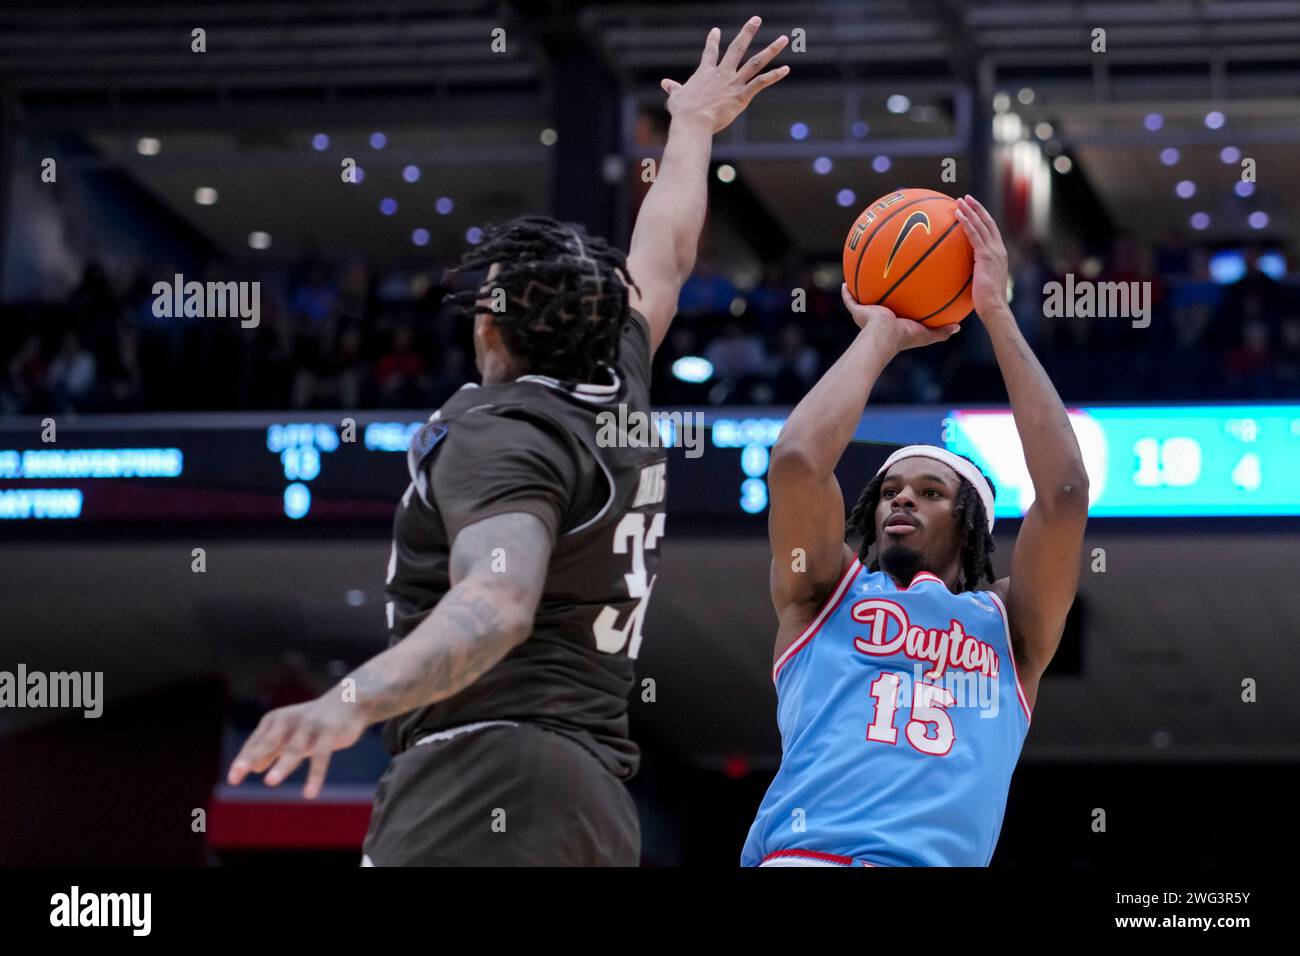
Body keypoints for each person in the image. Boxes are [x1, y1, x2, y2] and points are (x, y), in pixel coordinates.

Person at [227, 16, 790, 866]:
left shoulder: (505, 432)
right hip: (592, 796)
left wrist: (347, 702)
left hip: (484, 770)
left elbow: (496, 603)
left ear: (490, 324)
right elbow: (666, 255)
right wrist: (691, 130)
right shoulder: (614, 379)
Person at [742, 195, 1089, 867]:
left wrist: (994, 312)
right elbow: (795, 464)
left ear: (970, 524)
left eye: (930, 493)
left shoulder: (1011, 629)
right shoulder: (824, 594)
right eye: (891, 492)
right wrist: (880, 334)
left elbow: (1066, 496)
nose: (901, 501)